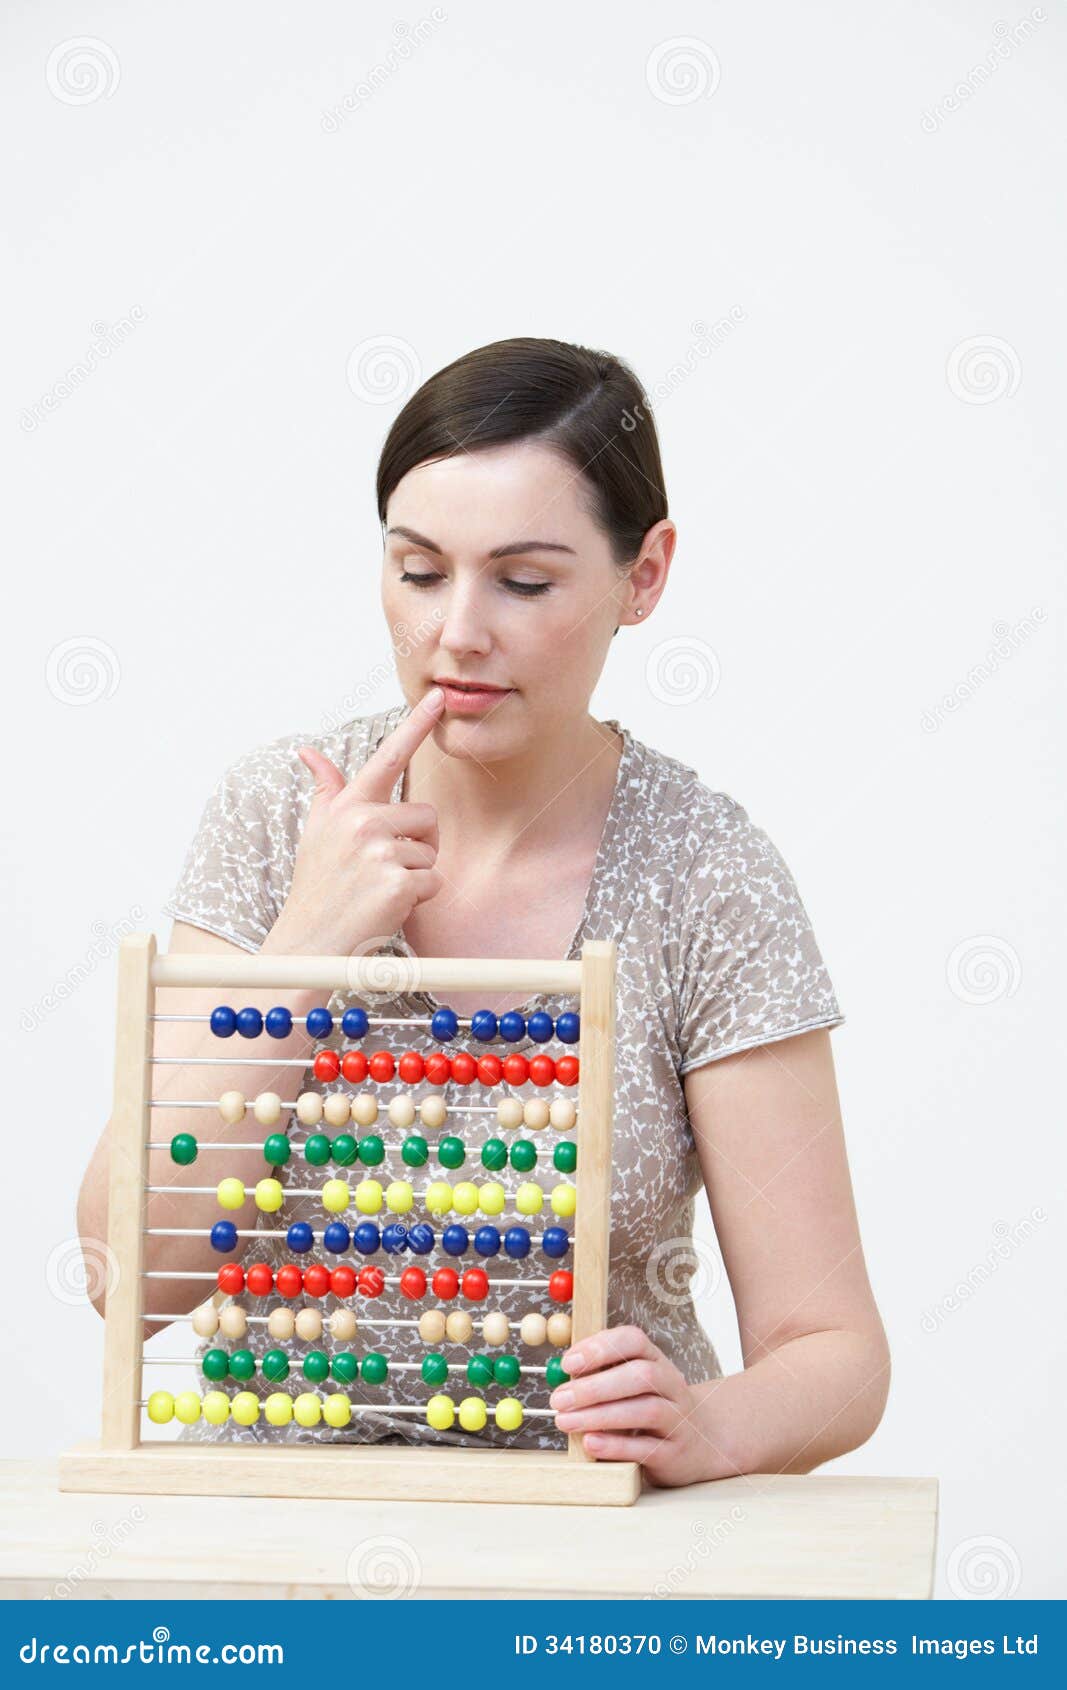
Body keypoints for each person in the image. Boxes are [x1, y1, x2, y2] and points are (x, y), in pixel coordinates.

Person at [77, 336, 889, 1485]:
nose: (457, 630)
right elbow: (125, 1270)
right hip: (273, 1519)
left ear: (642, 575)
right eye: (417, 572)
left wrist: (717, 1426)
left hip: (587, 1527)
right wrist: (301, 949)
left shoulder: (707, 873)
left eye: (522, 580)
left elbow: (834, 1349)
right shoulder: (278, 815)